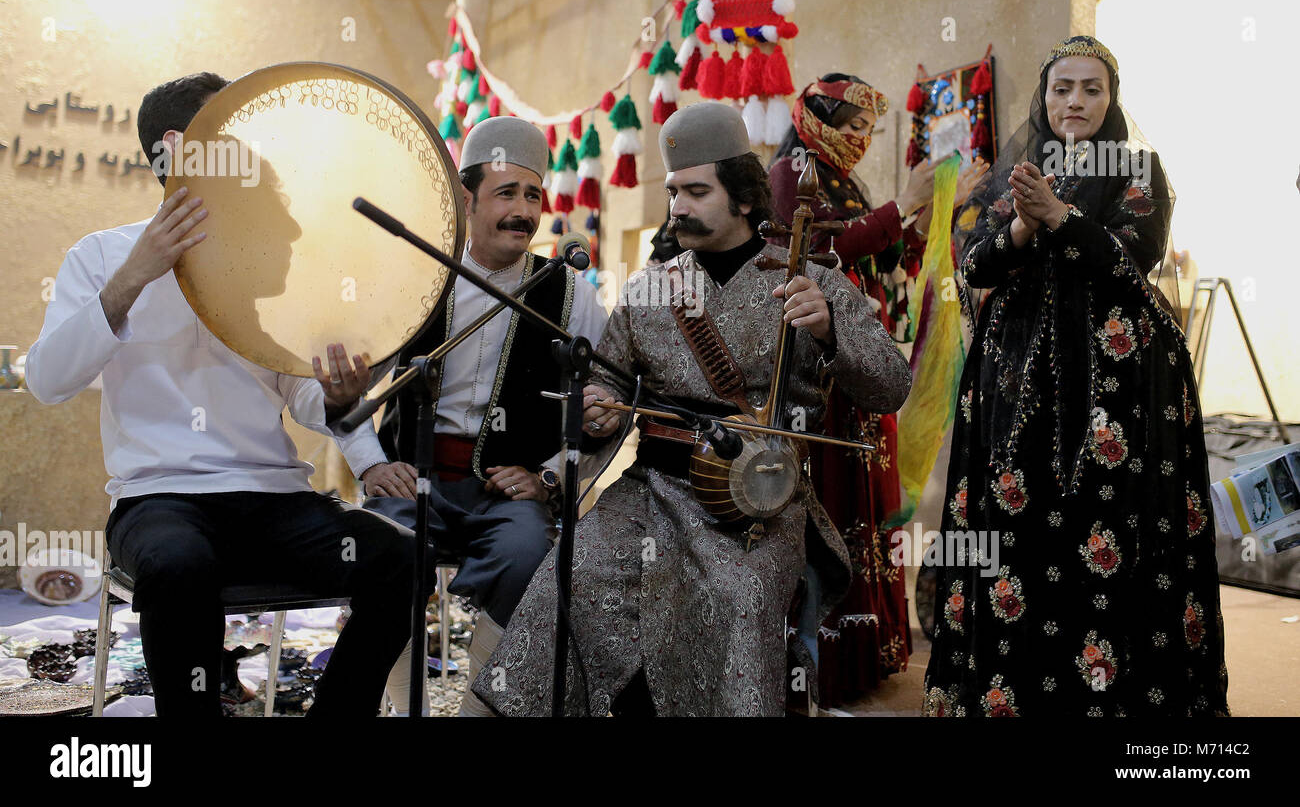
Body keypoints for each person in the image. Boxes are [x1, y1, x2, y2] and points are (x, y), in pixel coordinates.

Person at [467, 101, 913, 716]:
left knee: (739, 601)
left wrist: (835, 332)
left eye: (696, 191)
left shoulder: (812, 280)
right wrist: (599, 410)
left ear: (746, 198)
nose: (677, 207)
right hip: (648, 492)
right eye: (674, 191)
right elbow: (603, 388)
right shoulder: (650, 287)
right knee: (575, 577)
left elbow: (890, 387)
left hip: (754, 502)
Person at [24, 72, 416, 717]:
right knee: (178, 566)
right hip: (160, 500)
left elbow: (301, 392)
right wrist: (133, 278)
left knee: (399, 559)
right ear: (179, 150)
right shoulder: (100, 257)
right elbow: (47, 381)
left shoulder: (268, 257)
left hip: (275, 501)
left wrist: (343, 400)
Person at [923, 36, 1229, 716]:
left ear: (1111, 98)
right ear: (1045, 94)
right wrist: (1024, 229)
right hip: (1015, 388)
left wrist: (1059, 217)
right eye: (1063, 87)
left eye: (1092, 88)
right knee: (1016, 531)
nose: (1076, 101)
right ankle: (1016, 688)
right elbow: (974, 264)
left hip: (1117, 386)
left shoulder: (1139, 167)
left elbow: (1134, 255)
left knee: (1106, 525)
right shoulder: (1015, 172)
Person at [366, 116, 607, 715]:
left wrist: (551, 476)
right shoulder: (417, 277)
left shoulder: (568, 289)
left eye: (532, 196)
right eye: (507, 194)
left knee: (529, 557)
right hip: (412, 483)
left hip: (508, 495)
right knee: (381, 555)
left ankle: (480, 711)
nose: (523, 212)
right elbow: (343, 392)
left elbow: (612, 399)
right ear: (466, 199)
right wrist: (369, 464)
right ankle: (405, 709)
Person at [767, 74, 988, 705]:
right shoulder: (790, 173)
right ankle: (822, 666)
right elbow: (810, 256)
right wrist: (897, 207)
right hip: (821, 367)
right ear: (818, 118)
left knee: (868, 509)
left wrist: (922, 214)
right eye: (853, 127)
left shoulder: (845, 182)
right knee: (835, 506)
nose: (860, 140)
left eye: (868, 131)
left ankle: (867, 655)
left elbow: (881, 261)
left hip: (862, 361)